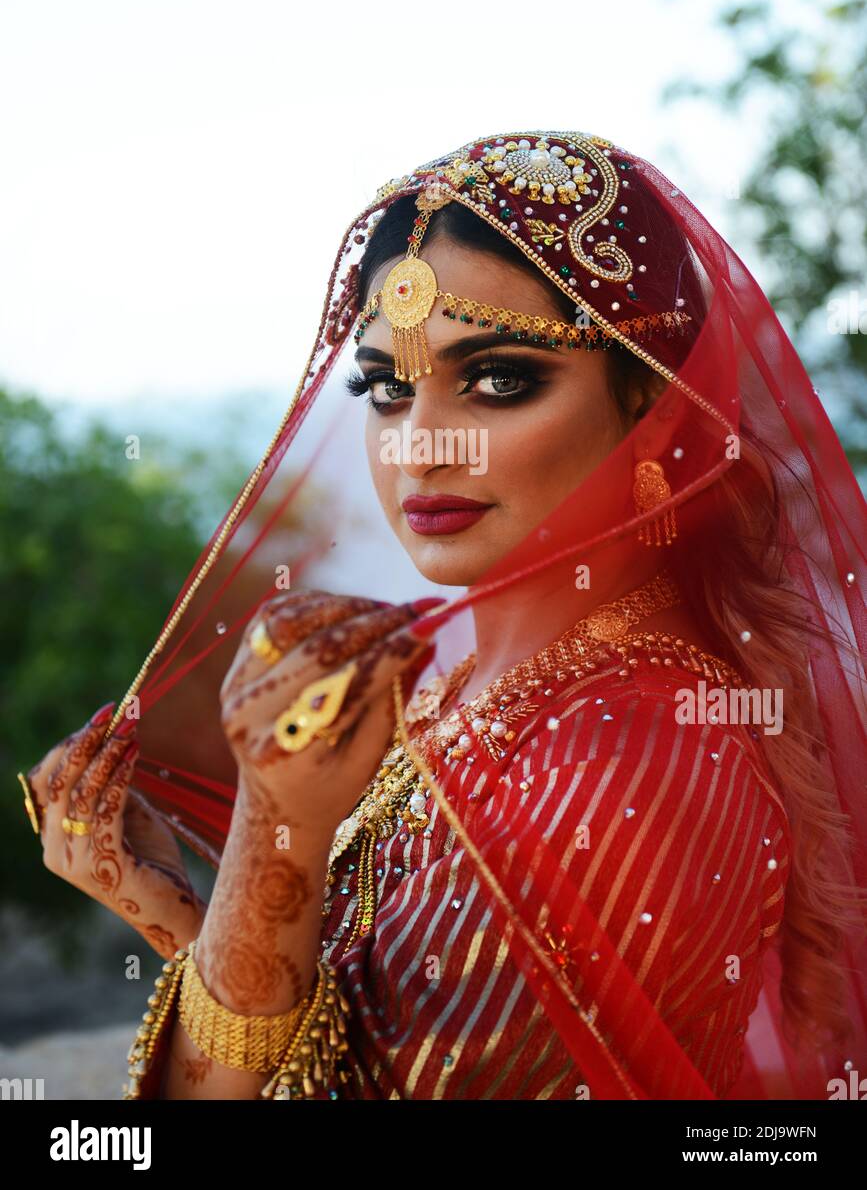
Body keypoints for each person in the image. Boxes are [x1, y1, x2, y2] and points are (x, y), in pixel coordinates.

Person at [19, 129, 867, 1100]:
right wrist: (167, 901)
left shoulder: (633, 748)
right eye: (385, 388)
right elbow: (350, 1012)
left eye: (500, 379)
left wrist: (273, 829)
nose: (422, 447)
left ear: (656, 411)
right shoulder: (460, 672)